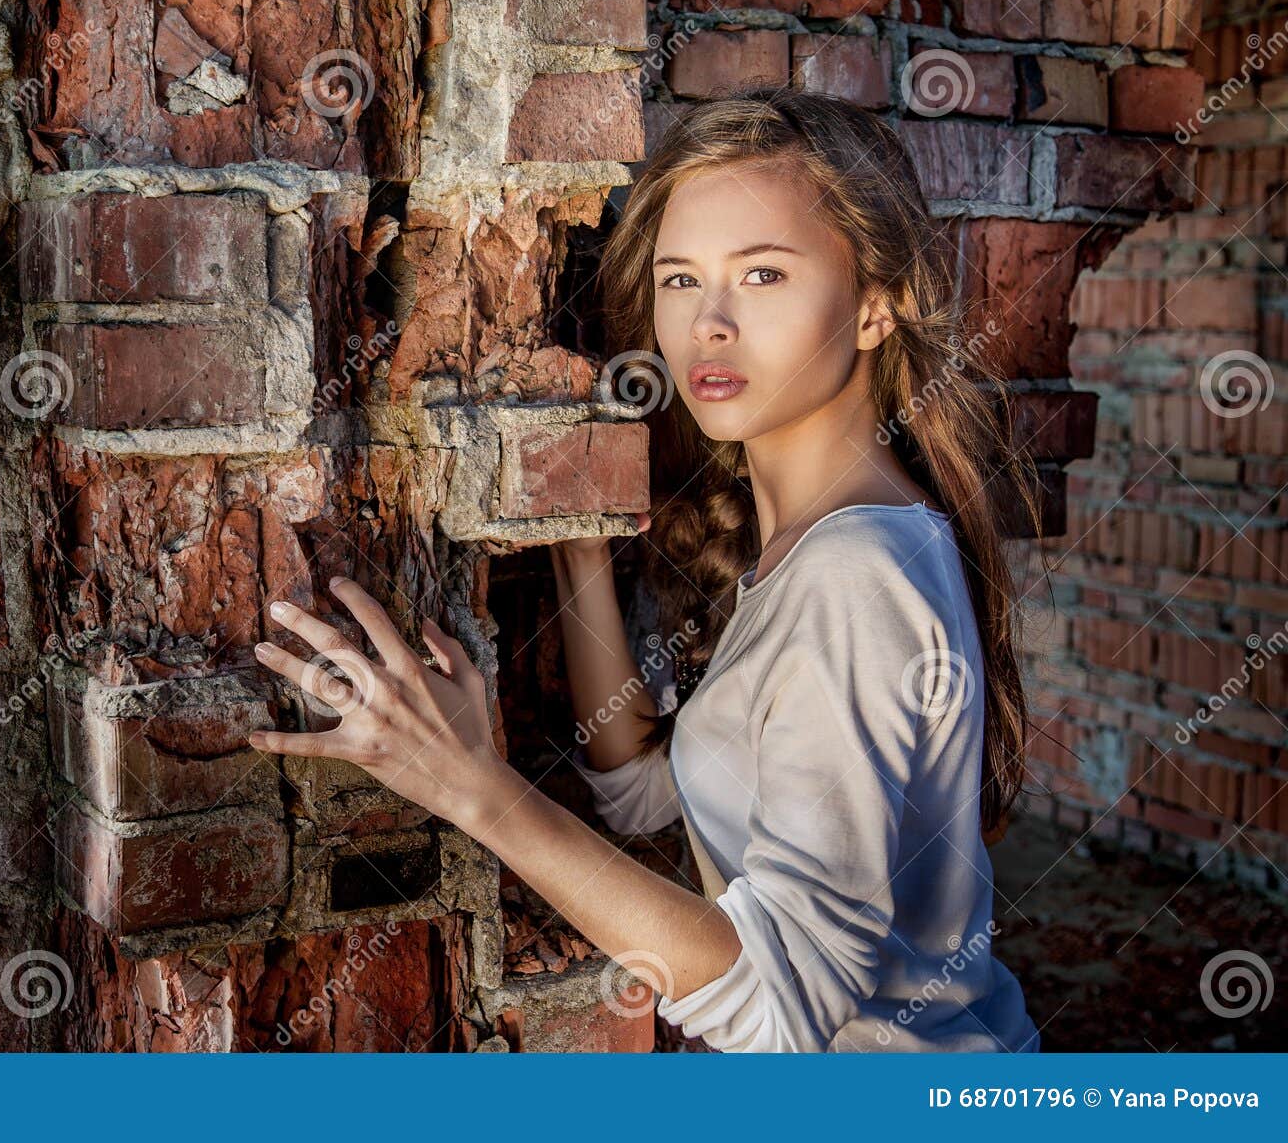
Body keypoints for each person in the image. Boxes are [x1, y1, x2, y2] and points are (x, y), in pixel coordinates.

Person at [247, 84, 1043, 1053]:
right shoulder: (824, 540)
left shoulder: (852, 577)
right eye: (680, 278)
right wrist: (580, 536)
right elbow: (647, 792)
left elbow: (779, 1009)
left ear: (876, 307)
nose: (709, 323)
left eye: (763, 275)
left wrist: (465, 782)